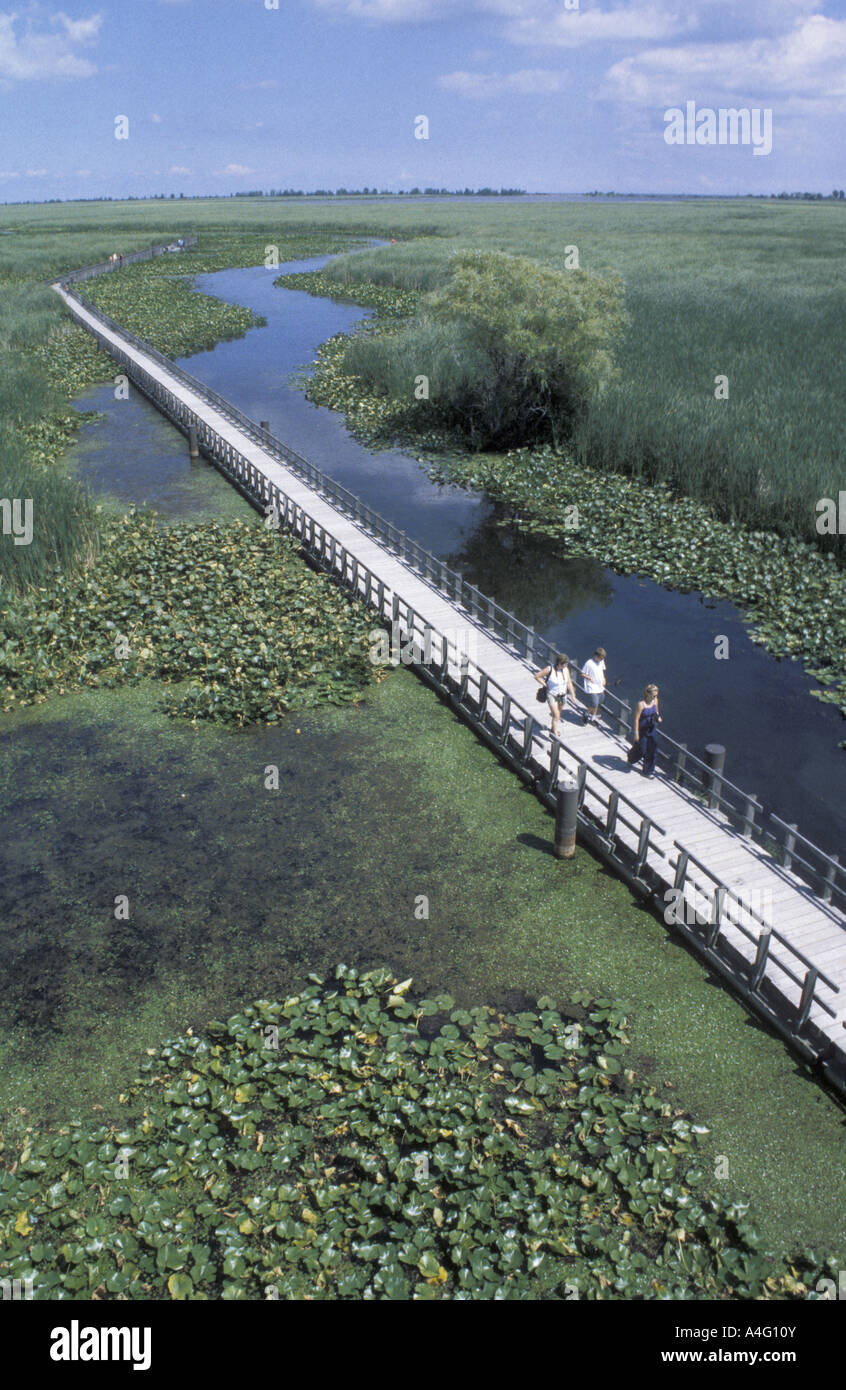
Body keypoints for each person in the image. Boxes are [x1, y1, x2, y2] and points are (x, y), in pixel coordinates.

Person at [535, 654, 576, 739]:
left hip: (562, 695)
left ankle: (553, 728)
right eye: (565, 664)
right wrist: (545, 685)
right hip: (552, 695)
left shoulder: (566, 670)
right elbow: (537, 676)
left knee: (558, 714)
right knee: (556, 715)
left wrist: (573, 694)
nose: (566, 665)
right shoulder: (550, 669)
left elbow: (569, 682)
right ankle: (555, 735)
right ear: (560, 663)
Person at [627, 684, 662, 777]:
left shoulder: (655, 701)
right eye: (654, 695)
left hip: (652, 728)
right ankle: (631, 757)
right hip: (642, 730)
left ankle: (648, 771)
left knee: (652, 749)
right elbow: (636, 719)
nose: (655, 697)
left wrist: (658, 717)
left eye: (656, 695)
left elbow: (656, 712)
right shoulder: (641, 704)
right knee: (641, 749)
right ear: (648, 694)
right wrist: (636, 733)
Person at [580, 646, 606, 724]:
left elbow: (602, 671)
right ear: (596, 656)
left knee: (600, 700)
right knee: (595, 703)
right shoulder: (589, 663)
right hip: (592, 686)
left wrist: (604, 679)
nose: (601, 660)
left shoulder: (601, 662)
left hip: (600, 686)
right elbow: (582, 674)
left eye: (602, 659)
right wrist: (589, 678)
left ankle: (593, 716)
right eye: (600, 658)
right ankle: (586, 713)